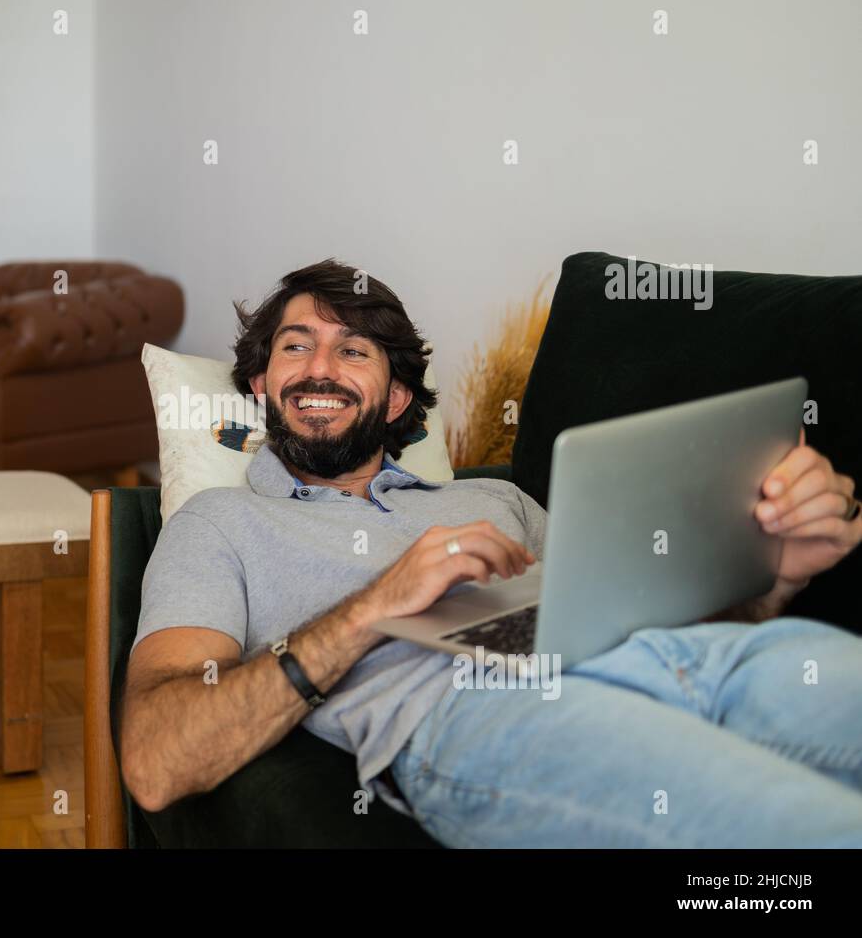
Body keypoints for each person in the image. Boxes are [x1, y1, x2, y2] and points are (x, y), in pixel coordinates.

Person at [120, 259, 862, 847]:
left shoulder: (495, 500)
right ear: (260, 385)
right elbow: (155, 759)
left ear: (397, 398)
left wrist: (778, 579)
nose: (321, 367)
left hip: (684, 661)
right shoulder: (218, 522)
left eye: (353, 350)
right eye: (295, 345)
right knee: (804, 825)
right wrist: (374, 608)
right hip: (480, 712)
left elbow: (622, 611)